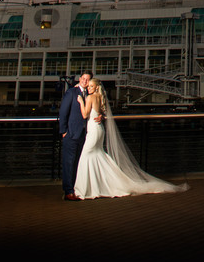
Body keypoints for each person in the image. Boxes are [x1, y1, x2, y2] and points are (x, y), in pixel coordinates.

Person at [73, 78, 188, 199]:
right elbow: (100, 112)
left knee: (85, 157)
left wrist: (81, 101)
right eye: (88, 86)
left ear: (96, 87)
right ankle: (102, 185)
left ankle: (85, 189)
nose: (89, 88)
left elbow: (85, 114)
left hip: (93, 131)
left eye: (91, 86)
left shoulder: (90, 97)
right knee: (98, 156)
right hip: (99, 130)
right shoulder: (99, 97)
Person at [58, 72, 101, 201]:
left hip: (85, 135)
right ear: (80, 79)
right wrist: (64, 132)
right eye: (83, 78)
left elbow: (96, 110)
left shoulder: (90, 94)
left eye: (87, 79)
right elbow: (63, 112)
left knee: (79, 163)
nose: (85, 81)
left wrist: (100, 116)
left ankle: (77, 189)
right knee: (68, 163)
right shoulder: (71, 93)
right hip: (71, 134)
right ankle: (68, 191)